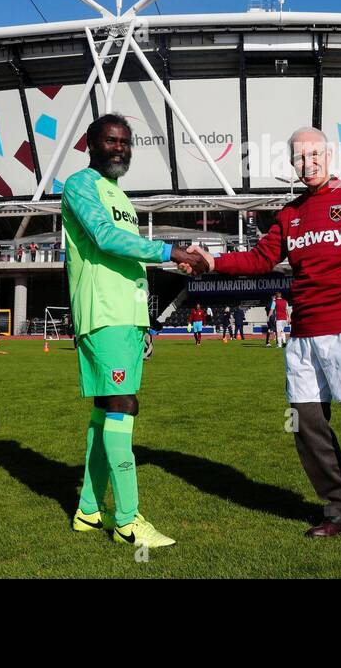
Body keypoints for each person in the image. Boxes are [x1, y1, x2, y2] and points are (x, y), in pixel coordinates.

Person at [185, 125, 341, 549]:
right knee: (308, 427)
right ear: (292, 164)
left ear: (329, 155)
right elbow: (260, 259)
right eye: (299, 157)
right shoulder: (289, 215)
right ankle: (339, 510)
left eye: (314, 155)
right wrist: (213, 262)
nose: (308, 163)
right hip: (303, 336)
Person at [65, 112, 207, 549]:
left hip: (126, 317)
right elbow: (106, 239)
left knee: (106, 409)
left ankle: (89, 509)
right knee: (124, 405)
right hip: (103, 314)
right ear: (91, 143)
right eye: (111, 141)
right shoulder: (80, 184)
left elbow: (127, 256)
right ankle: (127, 520)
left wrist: (146, 318)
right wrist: (170, 249)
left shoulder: (119, 194)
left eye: (126, 142)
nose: (120, 148)